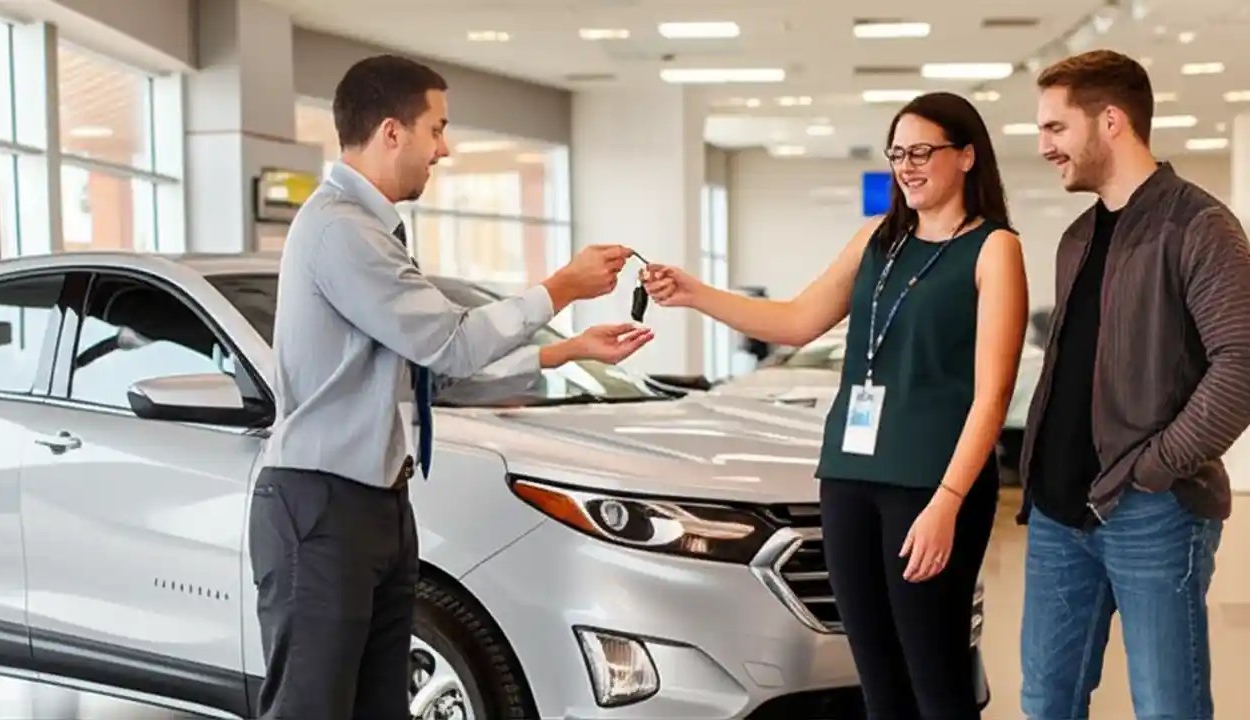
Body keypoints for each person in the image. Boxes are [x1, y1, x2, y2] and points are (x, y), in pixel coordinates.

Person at [249, 54, 654, 720]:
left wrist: (565, 352)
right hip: (322, 507)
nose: (445, 148)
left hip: (376, 504)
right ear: (391, 132)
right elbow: (452, 339)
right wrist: (559, 289)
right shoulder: (340, 232)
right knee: (312, 708)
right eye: (436, 128)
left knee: (379, 706)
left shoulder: (371, 231)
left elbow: (428, 369)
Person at [643, 92, 1028, 719]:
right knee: (876, 679)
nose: (907, 165)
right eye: (898, 152)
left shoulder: (992, 249)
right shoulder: (879, 238)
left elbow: (993, 396)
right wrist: (695, 293)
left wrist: (948, 502)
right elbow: (796, 320)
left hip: (930, 486)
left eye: (922, 151)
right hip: (850, 478)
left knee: (937, 680)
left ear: (966, 156)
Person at [1019, 49, 1250, 720]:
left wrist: (1154, 468)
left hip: (1153, 514)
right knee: (1045, 702)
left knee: (1167, 706)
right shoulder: (1077, 238)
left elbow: (1240, 364)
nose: (1044, 147)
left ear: (1111, 121)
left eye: (1055, 128)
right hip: (1058, 516)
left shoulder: (1198, 227)